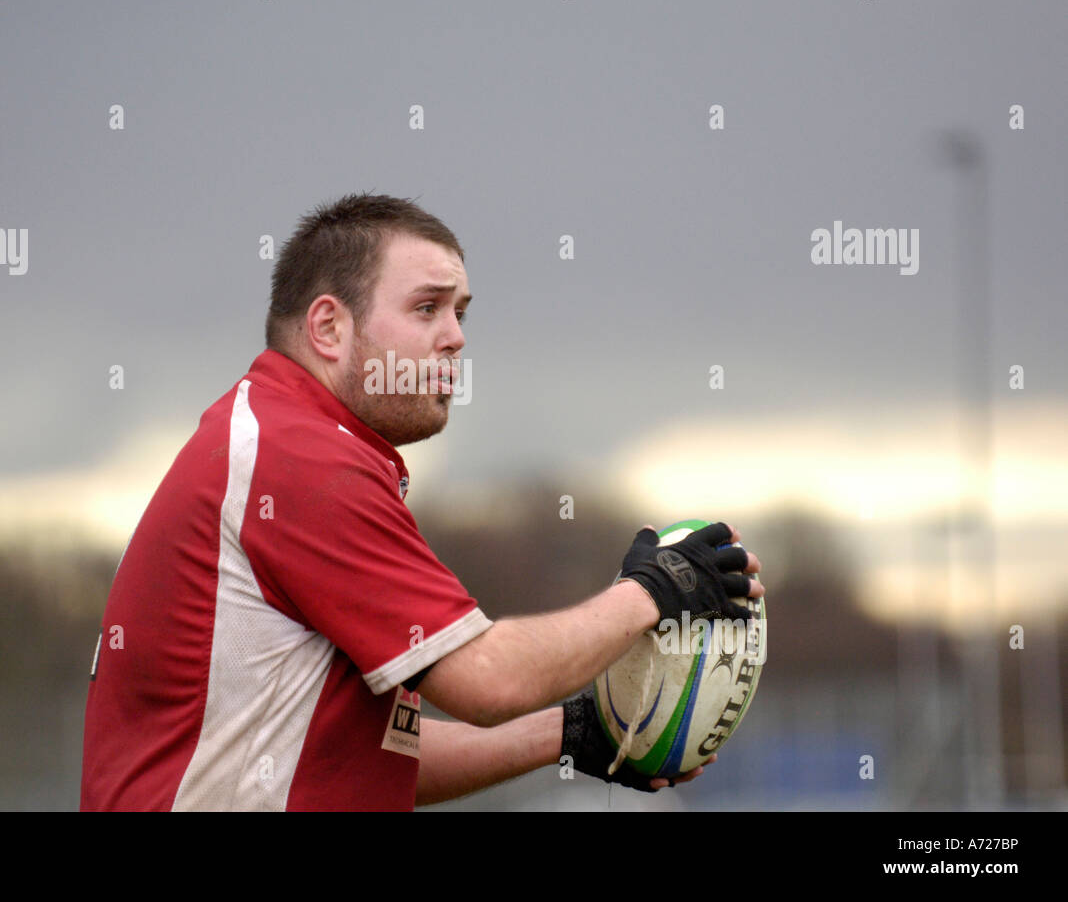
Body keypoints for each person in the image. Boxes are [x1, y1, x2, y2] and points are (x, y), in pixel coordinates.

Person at [79, 192, 764, 811]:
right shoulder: (301, 459)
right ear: (328, 328)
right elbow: (486, 680)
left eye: (460, 312)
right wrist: (656, 589)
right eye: (427, 307)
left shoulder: (284, 439)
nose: (457, 336)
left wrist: (571, 731)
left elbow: (370, 763)